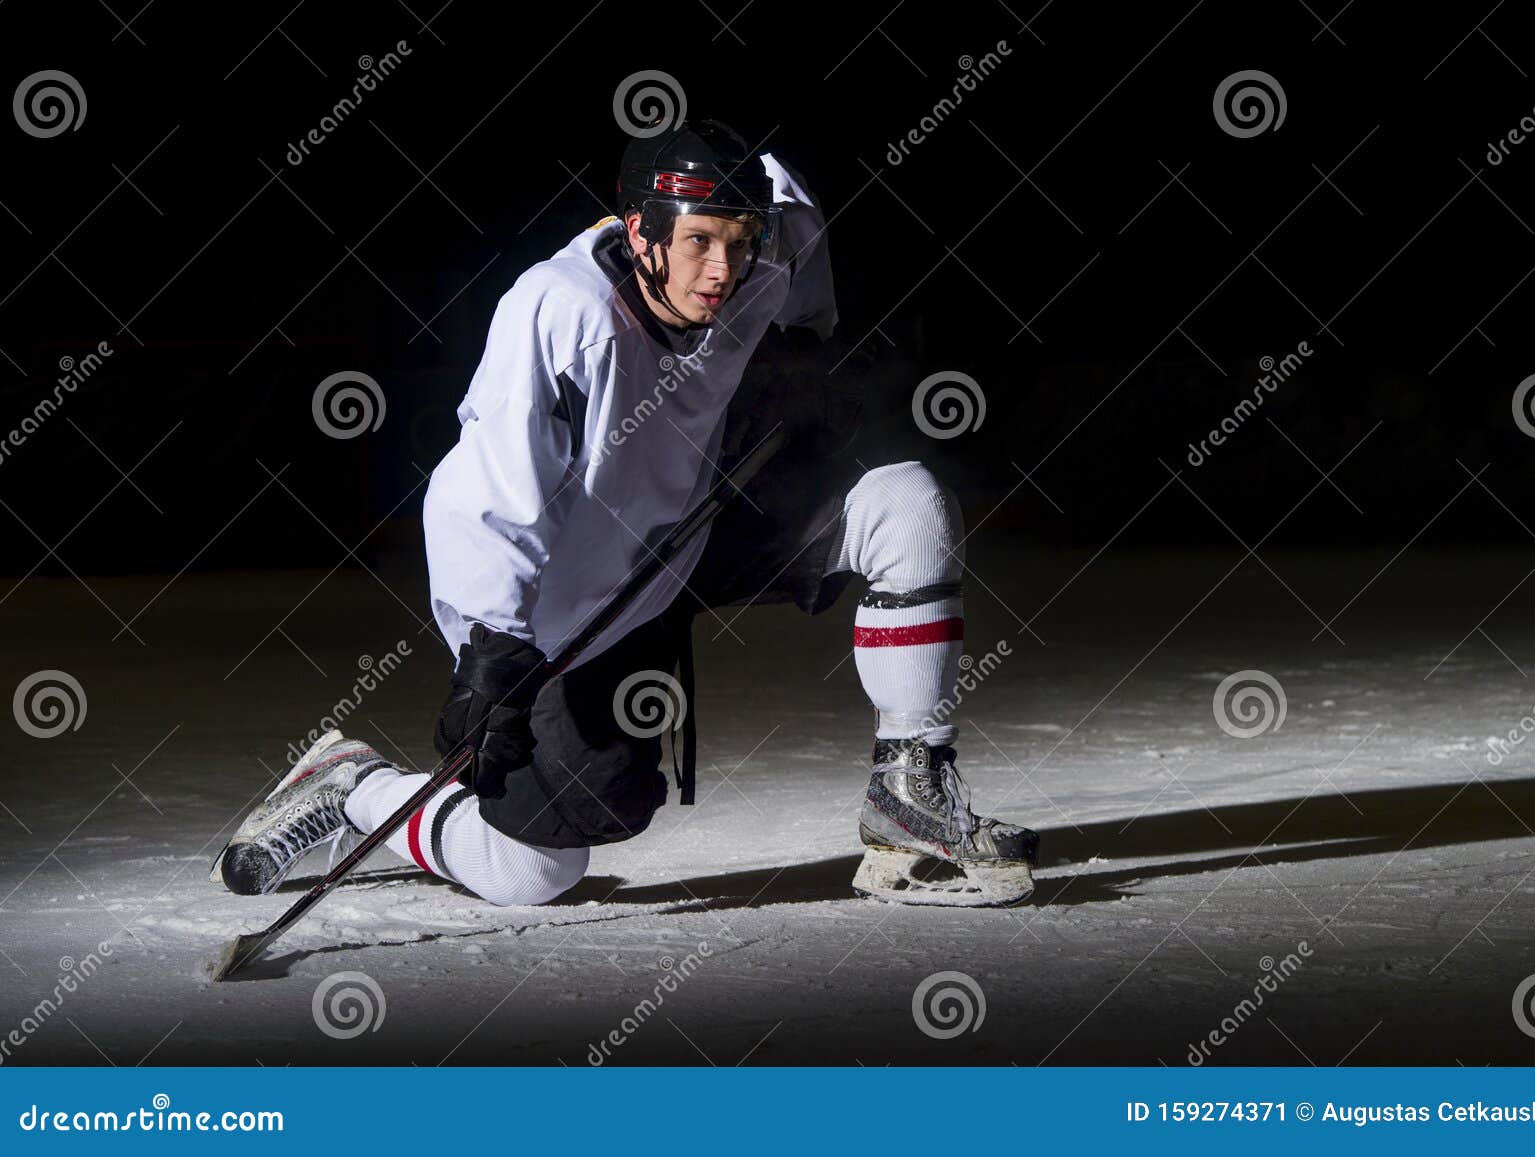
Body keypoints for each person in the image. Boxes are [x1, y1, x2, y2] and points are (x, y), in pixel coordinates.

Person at [212, 117, 1037, 908]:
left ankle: (908, 786)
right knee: (536, 868)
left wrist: (808, 344)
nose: (723, 268)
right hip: (577, 608)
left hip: (698, 526)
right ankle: (357, 788)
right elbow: (488, 491)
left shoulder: (764, 249)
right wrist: (492, 644)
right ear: (640, 232)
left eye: (739, 243)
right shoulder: (561, 315)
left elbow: (785, 212)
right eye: (700, 243)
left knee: (908, 504)